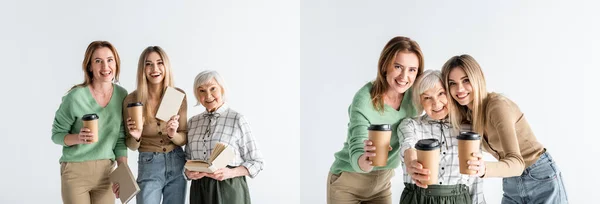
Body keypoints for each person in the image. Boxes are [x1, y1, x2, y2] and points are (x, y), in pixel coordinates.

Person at [441, 54, 568, 203]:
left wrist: (483, 169)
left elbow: (517, 163)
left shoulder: (497, 106)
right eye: (452, 83)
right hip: (511, 180)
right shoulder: (468, 115)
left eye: (466, 80)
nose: (459, 89)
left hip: (540, 177)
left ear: (478, 78)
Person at [327, 36, 424, 204]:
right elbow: (357, 145)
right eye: (398, 66)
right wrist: (366, 158)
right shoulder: (365, 99)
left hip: (381, 186)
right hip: (348, 183)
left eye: (412, 70)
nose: (404, 76)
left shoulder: (415, 98)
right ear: (385, 65)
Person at [51, 40, 128, 204]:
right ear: (90, 67)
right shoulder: (75, 97)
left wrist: (123, 173)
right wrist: (78, 138)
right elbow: (57, 135)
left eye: (109, 60)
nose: (105, 66)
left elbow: (121, 139)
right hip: (75, 172)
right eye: (98, 61)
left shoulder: (122, 95)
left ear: (116, 63)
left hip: (106, 174)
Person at [398, 70, 485, 204]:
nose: (436, 103)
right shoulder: (411, 125)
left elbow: (475, 181)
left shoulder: (469, 129)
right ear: (419, 101)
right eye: (427, 97)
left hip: (459, 198)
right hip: (417, 197)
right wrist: (410, 160)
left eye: (441, 93)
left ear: (450, 94)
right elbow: (407, 143)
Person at [115, 46, 188, 204]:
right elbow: (131, 145)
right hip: (149, 164)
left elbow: (183, 138)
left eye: (159, 63)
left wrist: (172, 134)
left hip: (177, 162)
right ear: (143, 68)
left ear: (166, 65)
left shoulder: (177, 95)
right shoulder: (131, 100)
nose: (155, 69)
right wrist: (136, 136)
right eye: (148, 64)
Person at [184, 70, 264, 204]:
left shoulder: (237, 119)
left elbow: (257, 162)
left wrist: (230, 173)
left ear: (222, 89)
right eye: (202, 91)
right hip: (199, 190)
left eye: (213, 89)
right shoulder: (193, 122)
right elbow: (187, 158)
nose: (208, 95)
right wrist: (187, 173)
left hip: (229, 189)